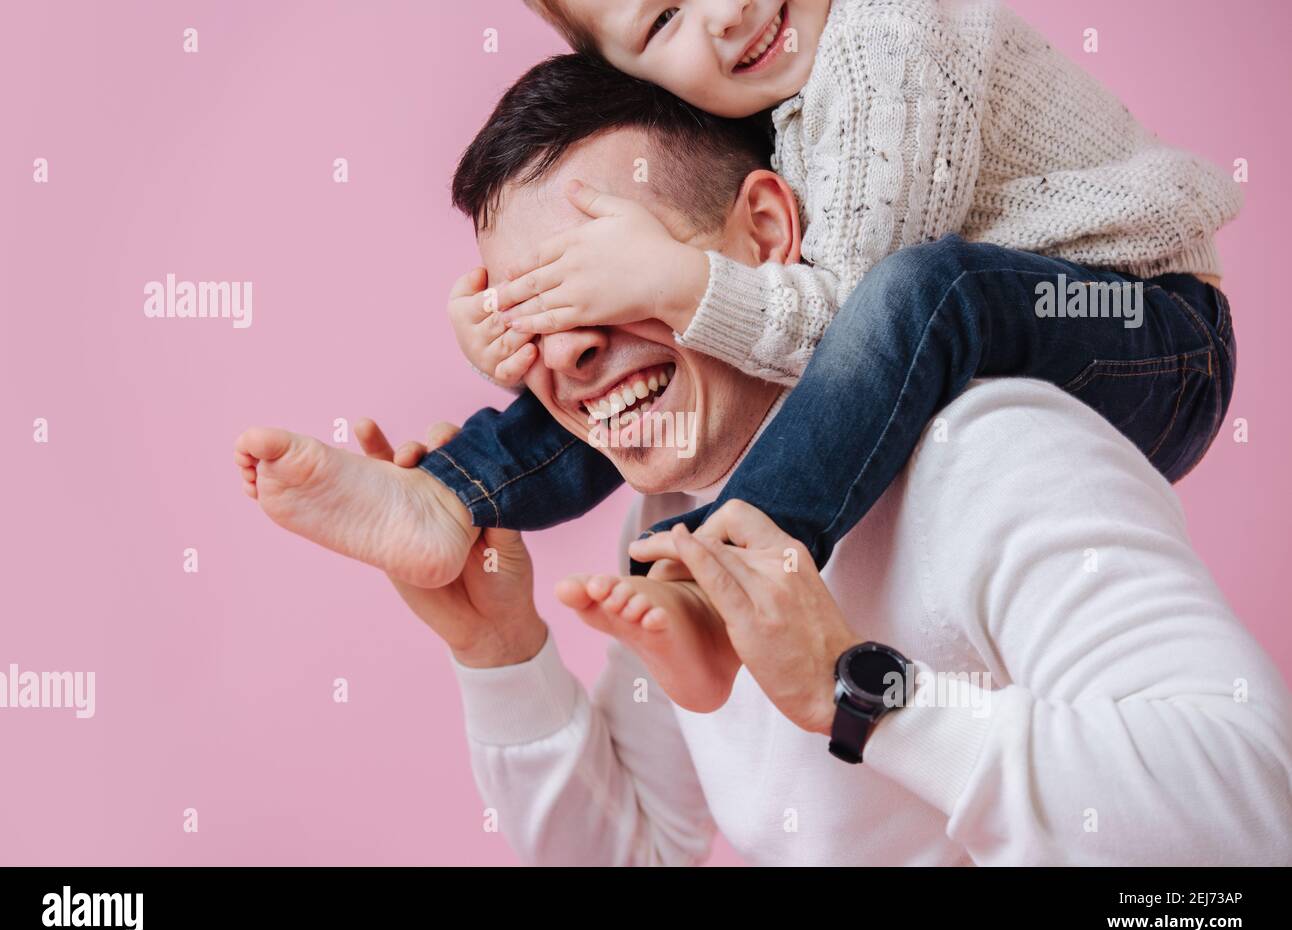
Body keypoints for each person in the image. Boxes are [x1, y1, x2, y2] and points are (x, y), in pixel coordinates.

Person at [235, 55, 1290, 865]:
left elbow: (1255, 813)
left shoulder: (991, 449)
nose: (568, 351)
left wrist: (861, 696)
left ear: (765, 233)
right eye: (528, 315)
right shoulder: (672, 512)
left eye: (599, 275)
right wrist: (499, 649)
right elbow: (640, 850)